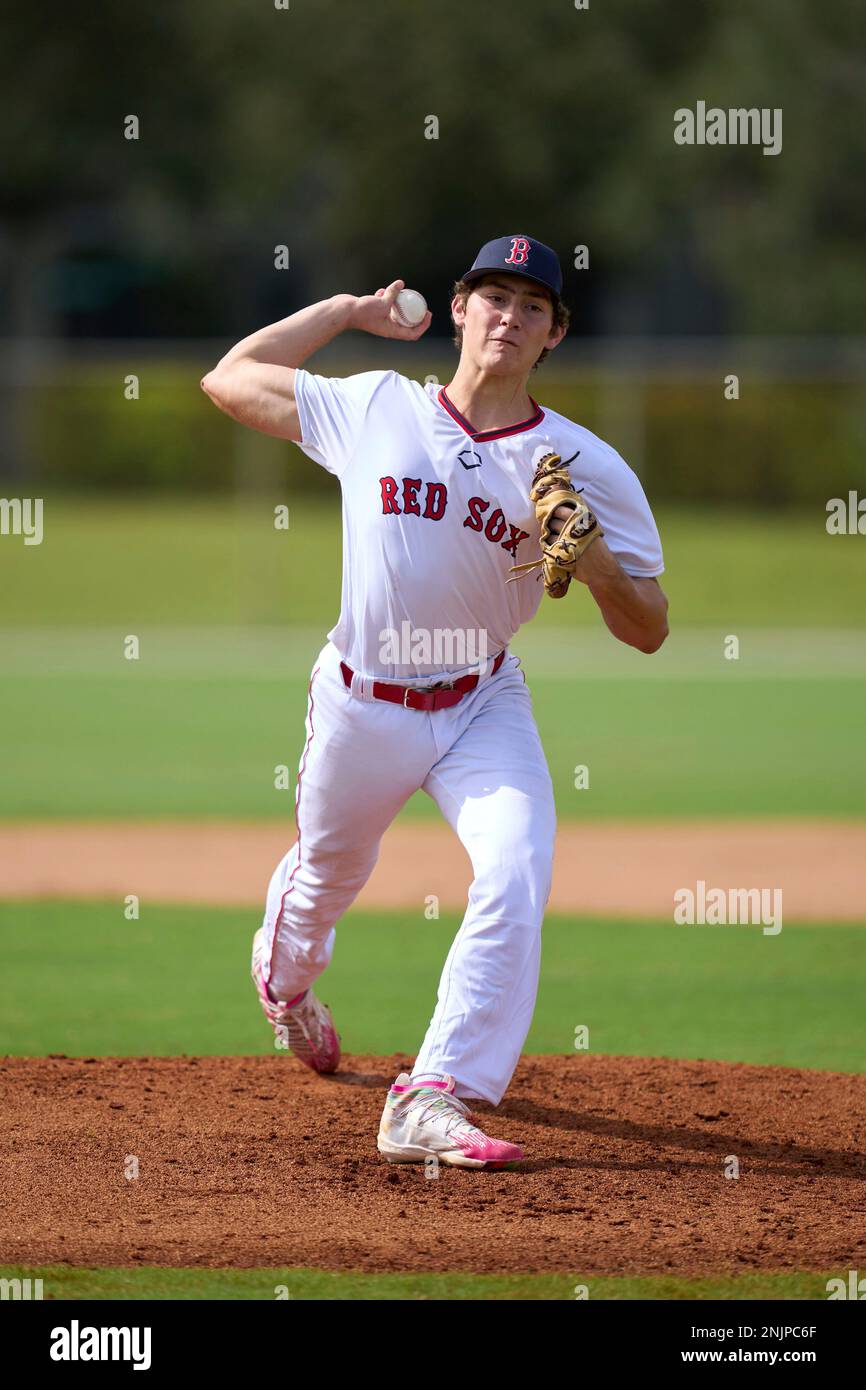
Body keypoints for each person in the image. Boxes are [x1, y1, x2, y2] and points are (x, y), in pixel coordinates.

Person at [201, 234, 668, 1169]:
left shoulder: (583, 462)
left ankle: (432, 1091)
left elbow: (649, 624)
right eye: (492, 295)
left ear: (554, 335)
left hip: (481, 703)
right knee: (324, 884)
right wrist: (346, 312)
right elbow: (229, 378)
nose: (509, 315)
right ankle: (286, 987)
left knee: (517, 864)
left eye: (532, 306)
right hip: (361, 706)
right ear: (458, 309)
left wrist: (595, 558)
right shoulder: (376, 405)